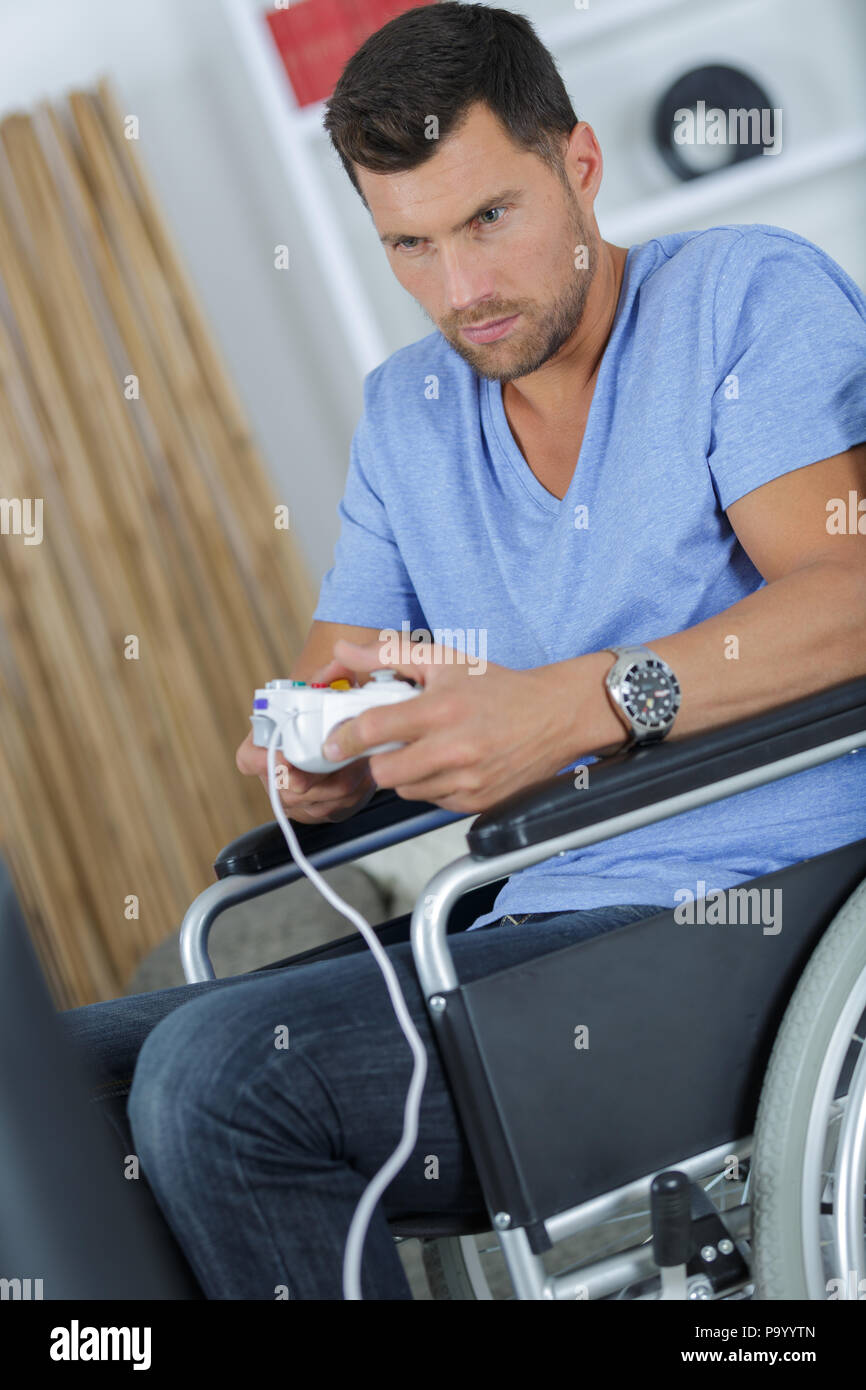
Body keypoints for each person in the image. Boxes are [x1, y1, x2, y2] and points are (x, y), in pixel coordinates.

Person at [62, 1, 866, 1299]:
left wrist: (576, 706)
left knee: (227, 1080)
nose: (461, 292)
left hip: (749, 916)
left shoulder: (740, 301)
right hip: (524, 929)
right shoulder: (408, 414)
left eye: (488, 219)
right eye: (410, 247)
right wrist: (322, 757)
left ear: (579, 165)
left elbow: (848, 599)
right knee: (43, 1090)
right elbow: (341, 680)